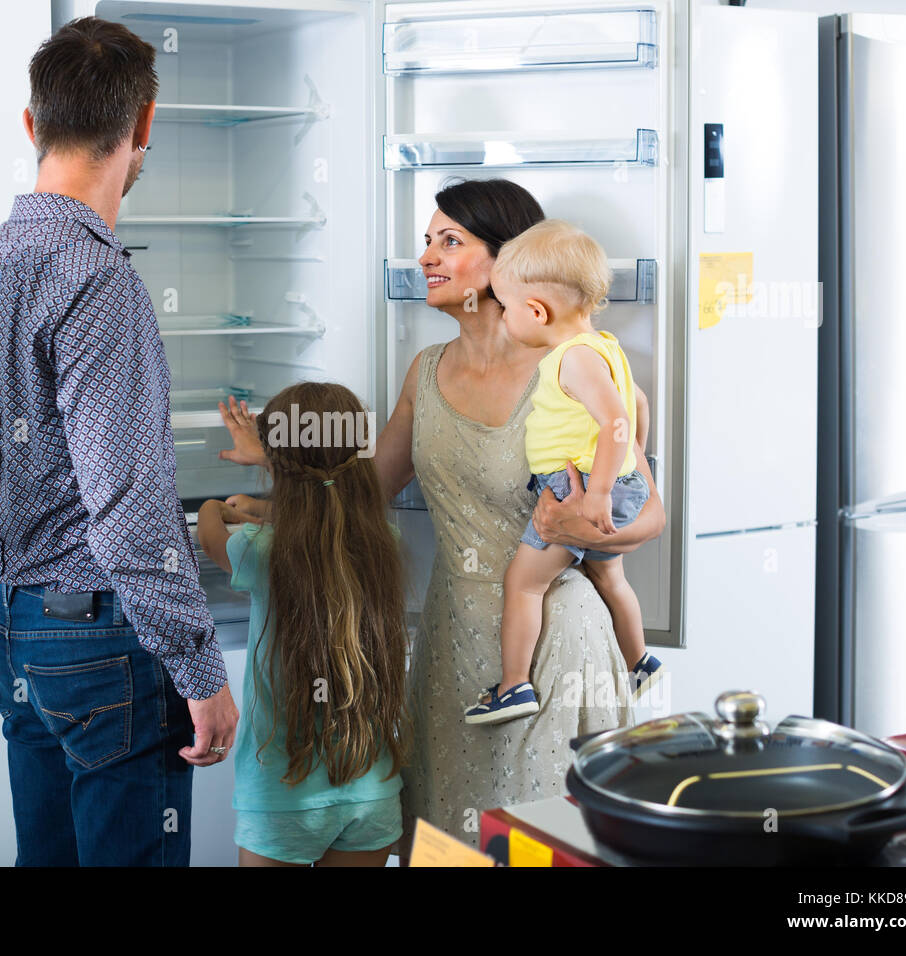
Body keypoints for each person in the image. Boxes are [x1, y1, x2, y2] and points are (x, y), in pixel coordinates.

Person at [217, 179, 665, 857]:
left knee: (541, 845)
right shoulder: (426, 371)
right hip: (452, 644)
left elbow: (650, 513)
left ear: (507, 260)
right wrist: (277, 474)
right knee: (446, 847)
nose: (426, 256)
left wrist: (582, 529)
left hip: (556, 643)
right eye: (427, 242)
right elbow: (362, 488)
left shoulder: (575, 369)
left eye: (449, 241)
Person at [0, 17, 237, 867]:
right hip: (103, 639)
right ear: (143, 127)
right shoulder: (99, 279)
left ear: (32, 126)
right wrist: (201, 673)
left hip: (13, 623)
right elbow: (126, 512)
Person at [198, 383, 408, 867]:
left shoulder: (260, 549)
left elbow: (211, 535)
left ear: (277, 463)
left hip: (282, 795)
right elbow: (327, 512)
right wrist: (272, 478)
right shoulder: (384, 542)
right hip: (371, 793)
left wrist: (218, 506)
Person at [465, 220, 662, 727]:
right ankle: (640, 661)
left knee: (524, 585)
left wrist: (598, 494)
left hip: (574, 491)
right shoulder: (604, 347)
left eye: (505, 307)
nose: (503, 316)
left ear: (536, 311)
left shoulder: (570, 358)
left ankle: (513, 686)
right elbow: (636, 404)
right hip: (615, 485)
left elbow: (616, 418)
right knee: (609, 574)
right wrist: (628, 467)